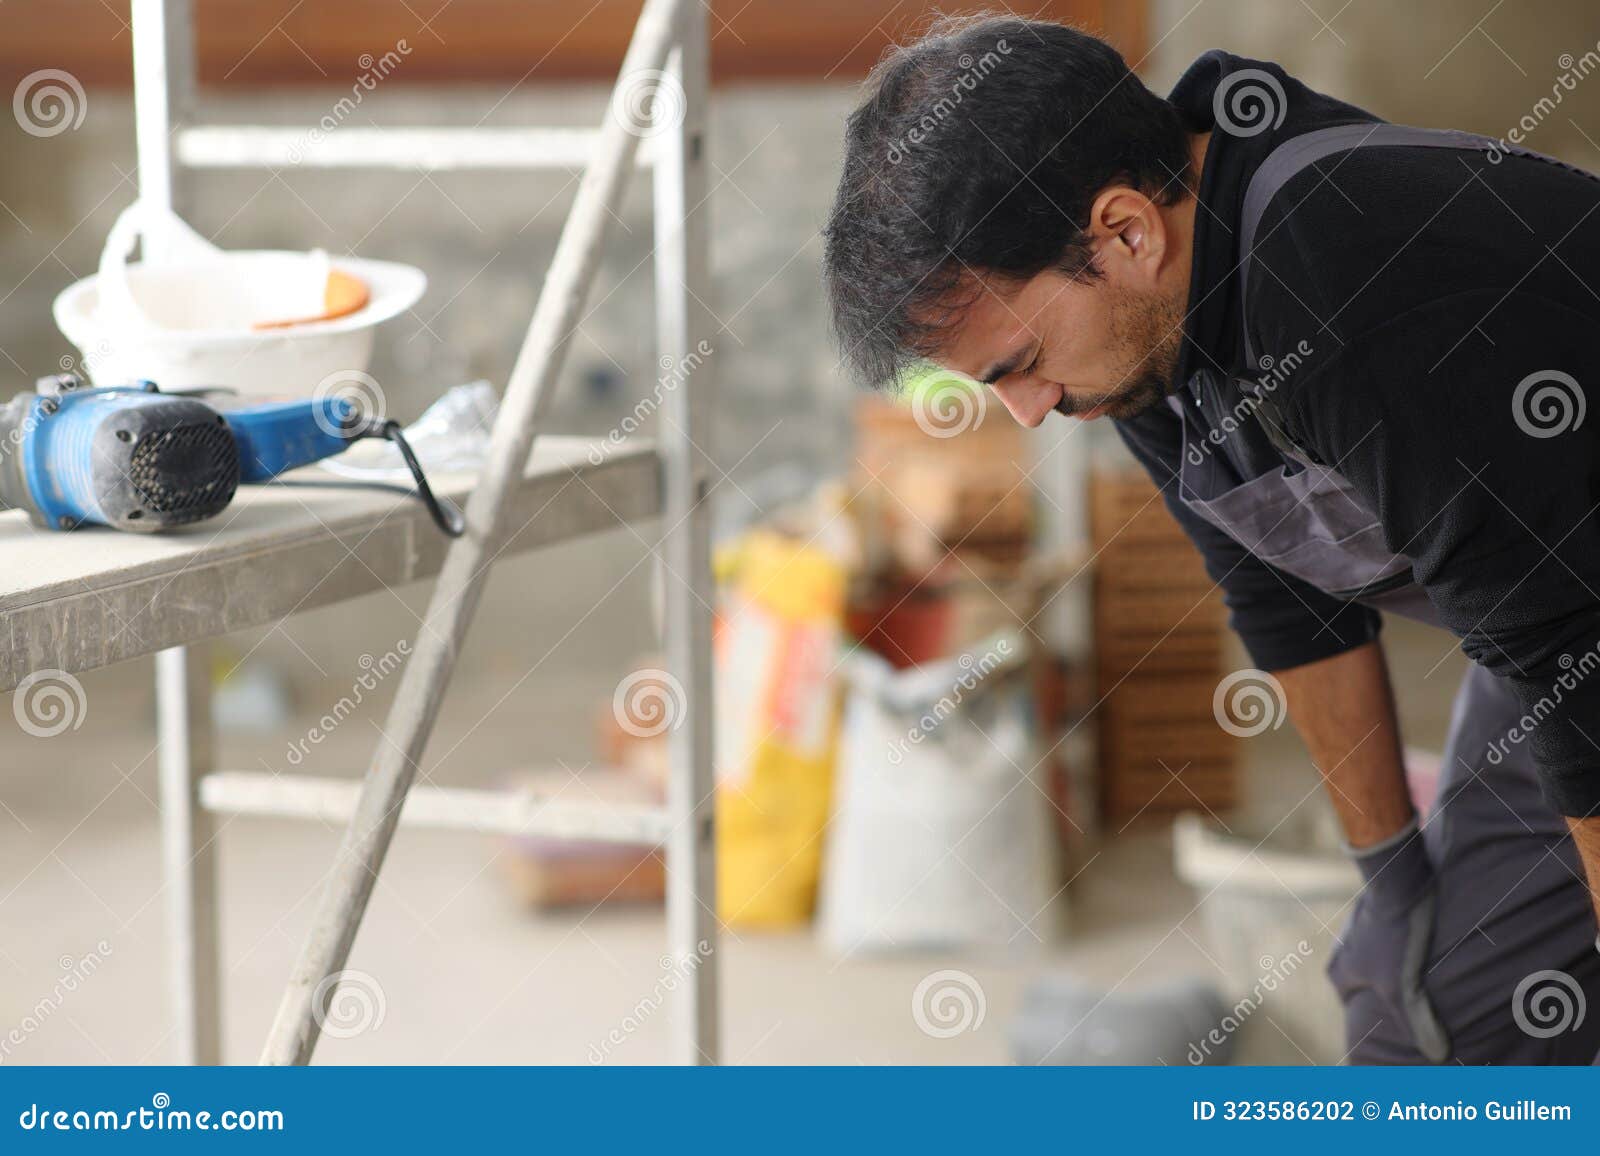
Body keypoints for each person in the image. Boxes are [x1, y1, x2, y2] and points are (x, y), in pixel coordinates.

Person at [823, 13, 1600, 1063]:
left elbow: (1568, 660)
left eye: (1019, 365)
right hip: (1555, 638)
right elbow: (1284, 595)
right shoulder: (1146, 335)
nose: (1027, 409)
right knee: (1433, 1020)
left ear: (1124, 232)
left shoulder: (1349, 280)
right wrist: (1392, 878)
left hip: (1571, 642)